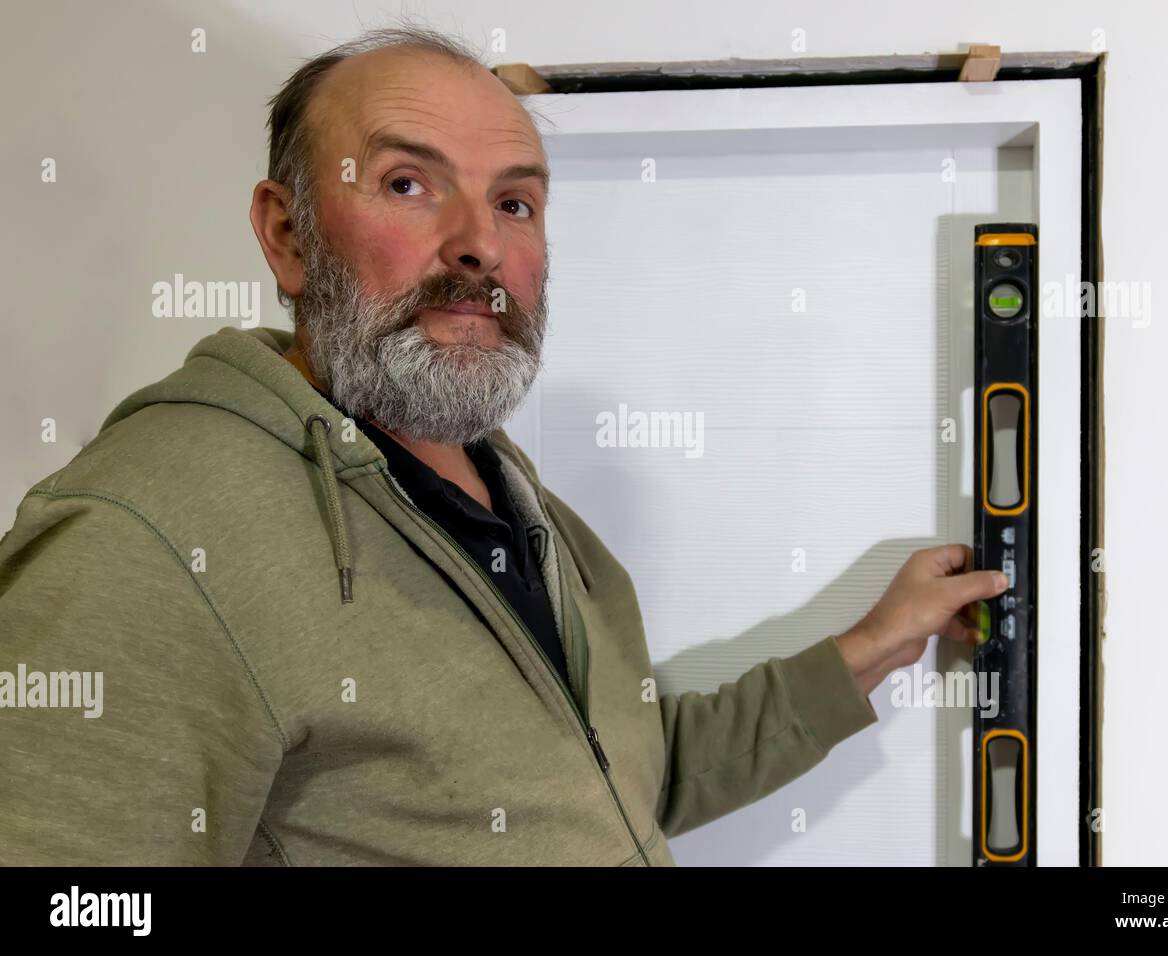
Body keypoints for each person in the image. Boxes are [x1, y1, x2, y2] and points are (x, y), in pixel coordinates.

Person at [0, 25, 1008, 865]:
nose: (479, 243)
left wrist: (872, 647)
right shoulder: (146, 541)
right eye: (407, 183)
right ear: (287, 235)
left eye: (514, 202)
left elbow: (619, 777)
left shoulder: (503, 491)